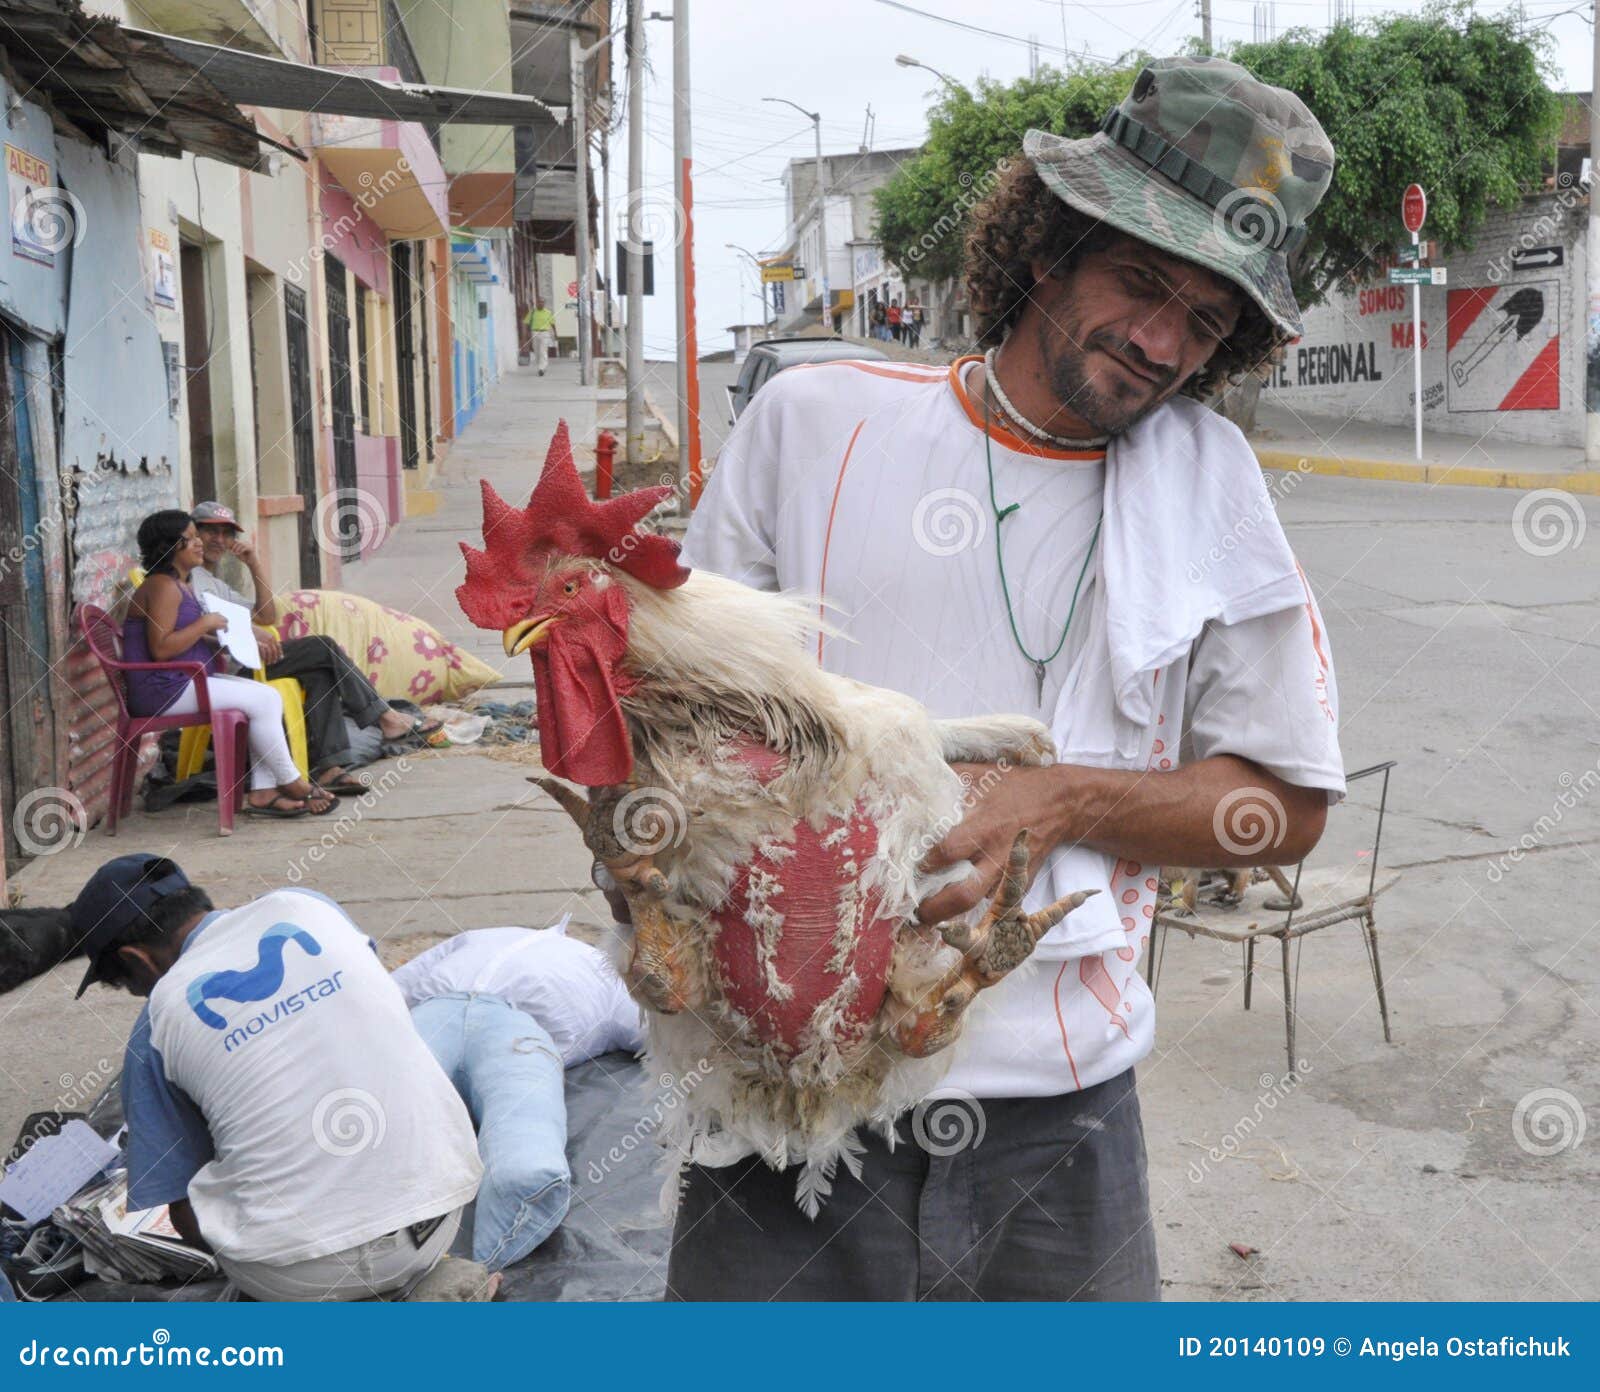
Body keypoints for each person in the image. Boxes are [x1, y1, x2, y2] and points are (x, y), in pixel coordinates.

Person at [674, 56, 1345, 1300]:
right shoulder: (813, 423)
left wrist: (1063, 802)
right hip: (777, 1095)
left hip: (1060, 1132)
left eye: (1201, 321)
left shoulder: (1212, 492)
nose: (1157, 341)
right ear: (1047, 250)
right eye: (1139, 283)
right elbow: (685, 727)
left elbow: (1285, 809)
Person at [73, 854, 493, 1301]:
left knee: (212, 1196)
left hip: (303, 1276)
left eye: (128, 984)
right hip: (439, 1218)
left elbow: (180, 1212)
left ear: (136, 959)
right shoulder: (308, 906)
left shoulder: (155, 1024)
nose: (140, 996)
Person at [392, 921, 646, 1269]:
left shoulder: (481, 936)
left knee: (385, 1099)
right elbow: (654, 1035)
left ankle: (485, 1252)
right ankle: (492, 1246)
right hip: (507, 1032)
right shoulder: (597, 966)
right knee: (522, 1114)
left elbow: (393, 990)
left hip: (469, 1020)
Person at [189, 501, 439, 794]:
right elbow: (193, 629)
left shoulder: (214, 583)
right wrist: (246, 634)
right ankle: (384, 717)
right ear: (193, 535)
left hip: (245, 662)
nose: (219, 540)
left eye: (226, 533)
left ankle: (331, 767)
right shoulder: (186, 579)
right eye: (210, 532)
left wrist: (254, 563)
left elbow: (268, 616)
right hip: (228, 675)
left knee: (321, 671)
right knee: (323, 647)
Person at [123, 512, 334, 819]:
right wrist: (205, 623)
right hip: (162, 691)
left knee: (266, 696)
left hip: (181, 683)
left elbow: (186, 640)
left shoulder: (178, 585)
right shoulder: (162, 587)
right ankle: (292, 783)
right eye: (192, 538)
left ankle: (264, 791)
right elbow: (160, 648)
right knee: (263, 698)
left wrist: (228, 641)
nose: (199, 544)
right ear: (171, 546)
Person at [524, 302, 556, 376]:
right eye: (539, 303)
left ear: (544, 304)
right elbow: (526, 323)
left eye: (542, 303)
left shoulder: (548, 312)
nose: (540, 304)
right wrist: (526, 334)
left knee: (543, 350)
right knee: (536, 351)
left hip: (545, 333)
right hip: (534, 332)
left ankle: (541, 368)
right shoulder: (532, 313)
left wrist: (555, 334)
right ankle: (541, 365)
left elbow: (552, 324)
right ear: (537, 304)